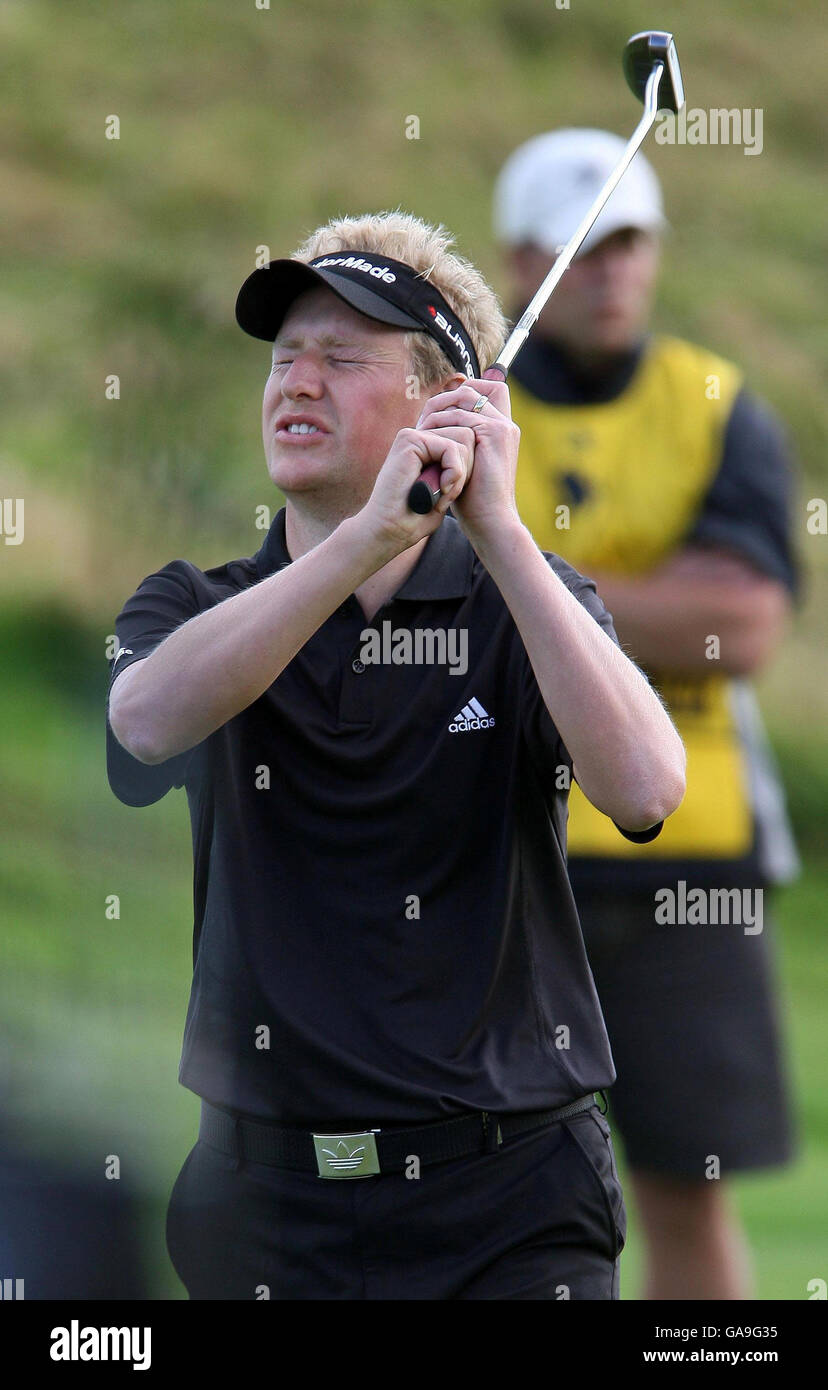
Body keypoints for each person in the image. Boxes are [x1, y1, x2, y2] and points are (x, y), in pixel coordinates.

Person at [105, 210, 685, 1301]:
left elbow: (646, 788)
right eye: (284, 357)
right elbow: (143, 725)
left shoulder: (527, 604)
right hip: (265, 1213)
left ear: (445, 401)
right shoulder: (193, 605)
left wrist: (502, 532)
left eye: (342, 359)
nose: (297, 382)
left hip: (511, 1204)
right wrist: (367, 539)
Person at [493, 129, 801, 1300]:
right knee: (492, 1184)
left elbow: (744, 622)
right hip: (505, 855)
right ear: (521, 262)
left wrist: (526, 578)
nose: (610, 272)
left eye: (628, 244)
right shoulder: (468, 409)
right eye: (581, 248)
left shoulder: (716, 404)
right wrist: (652, 593)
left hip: (694, 856)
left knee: (688, 1185)